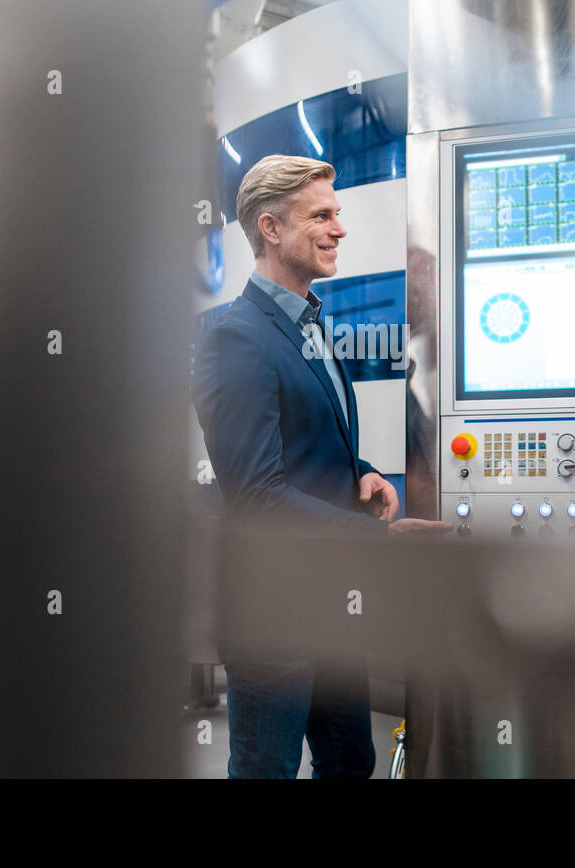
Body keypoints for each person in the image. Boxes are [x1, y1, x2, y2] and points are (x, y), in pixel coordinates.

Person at [192, 153, 449, 779]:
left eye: (339, 214)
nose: (340, 229)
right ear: (272, 228)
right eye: (322, 216)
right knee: (266, 768)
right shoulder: (235, 339)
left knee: (349, 760)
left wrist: (359, 468)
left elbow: (308, 437)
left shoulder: (310, 323)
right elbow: (257, 491)